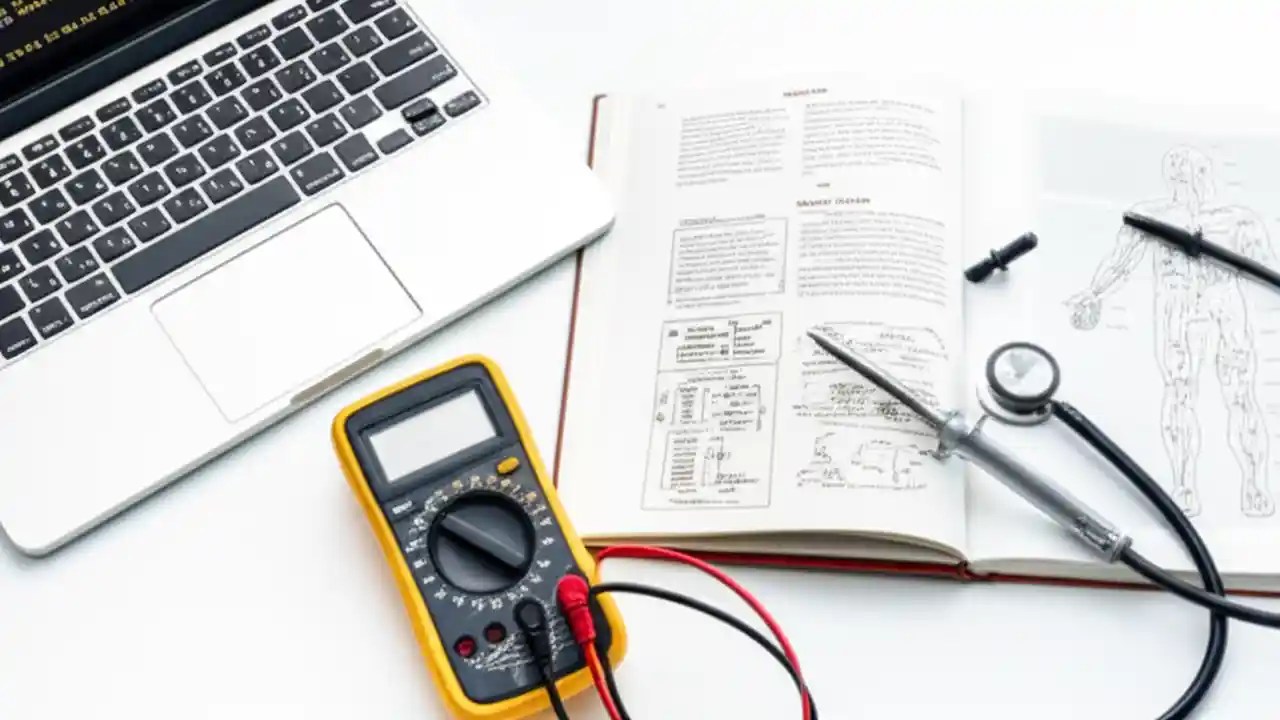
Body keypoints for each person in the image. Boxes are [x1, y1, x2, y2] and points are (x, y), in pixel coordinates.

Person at [1067, 146, 1275, 517]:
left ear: (1208, 173)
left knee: (1241, 394)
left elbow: (1268, 271)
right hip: (1177, 310)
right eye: (1178, 171)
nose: (1186, 179)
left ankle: (1256, 484)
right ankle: (1183, 485)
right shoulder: (1152, 214)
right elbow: (1119, 263)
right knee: (1180, 393)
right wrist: (1093, 293)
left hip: (1225, 308)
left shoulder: (1239, 219)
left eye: (1194, 171)